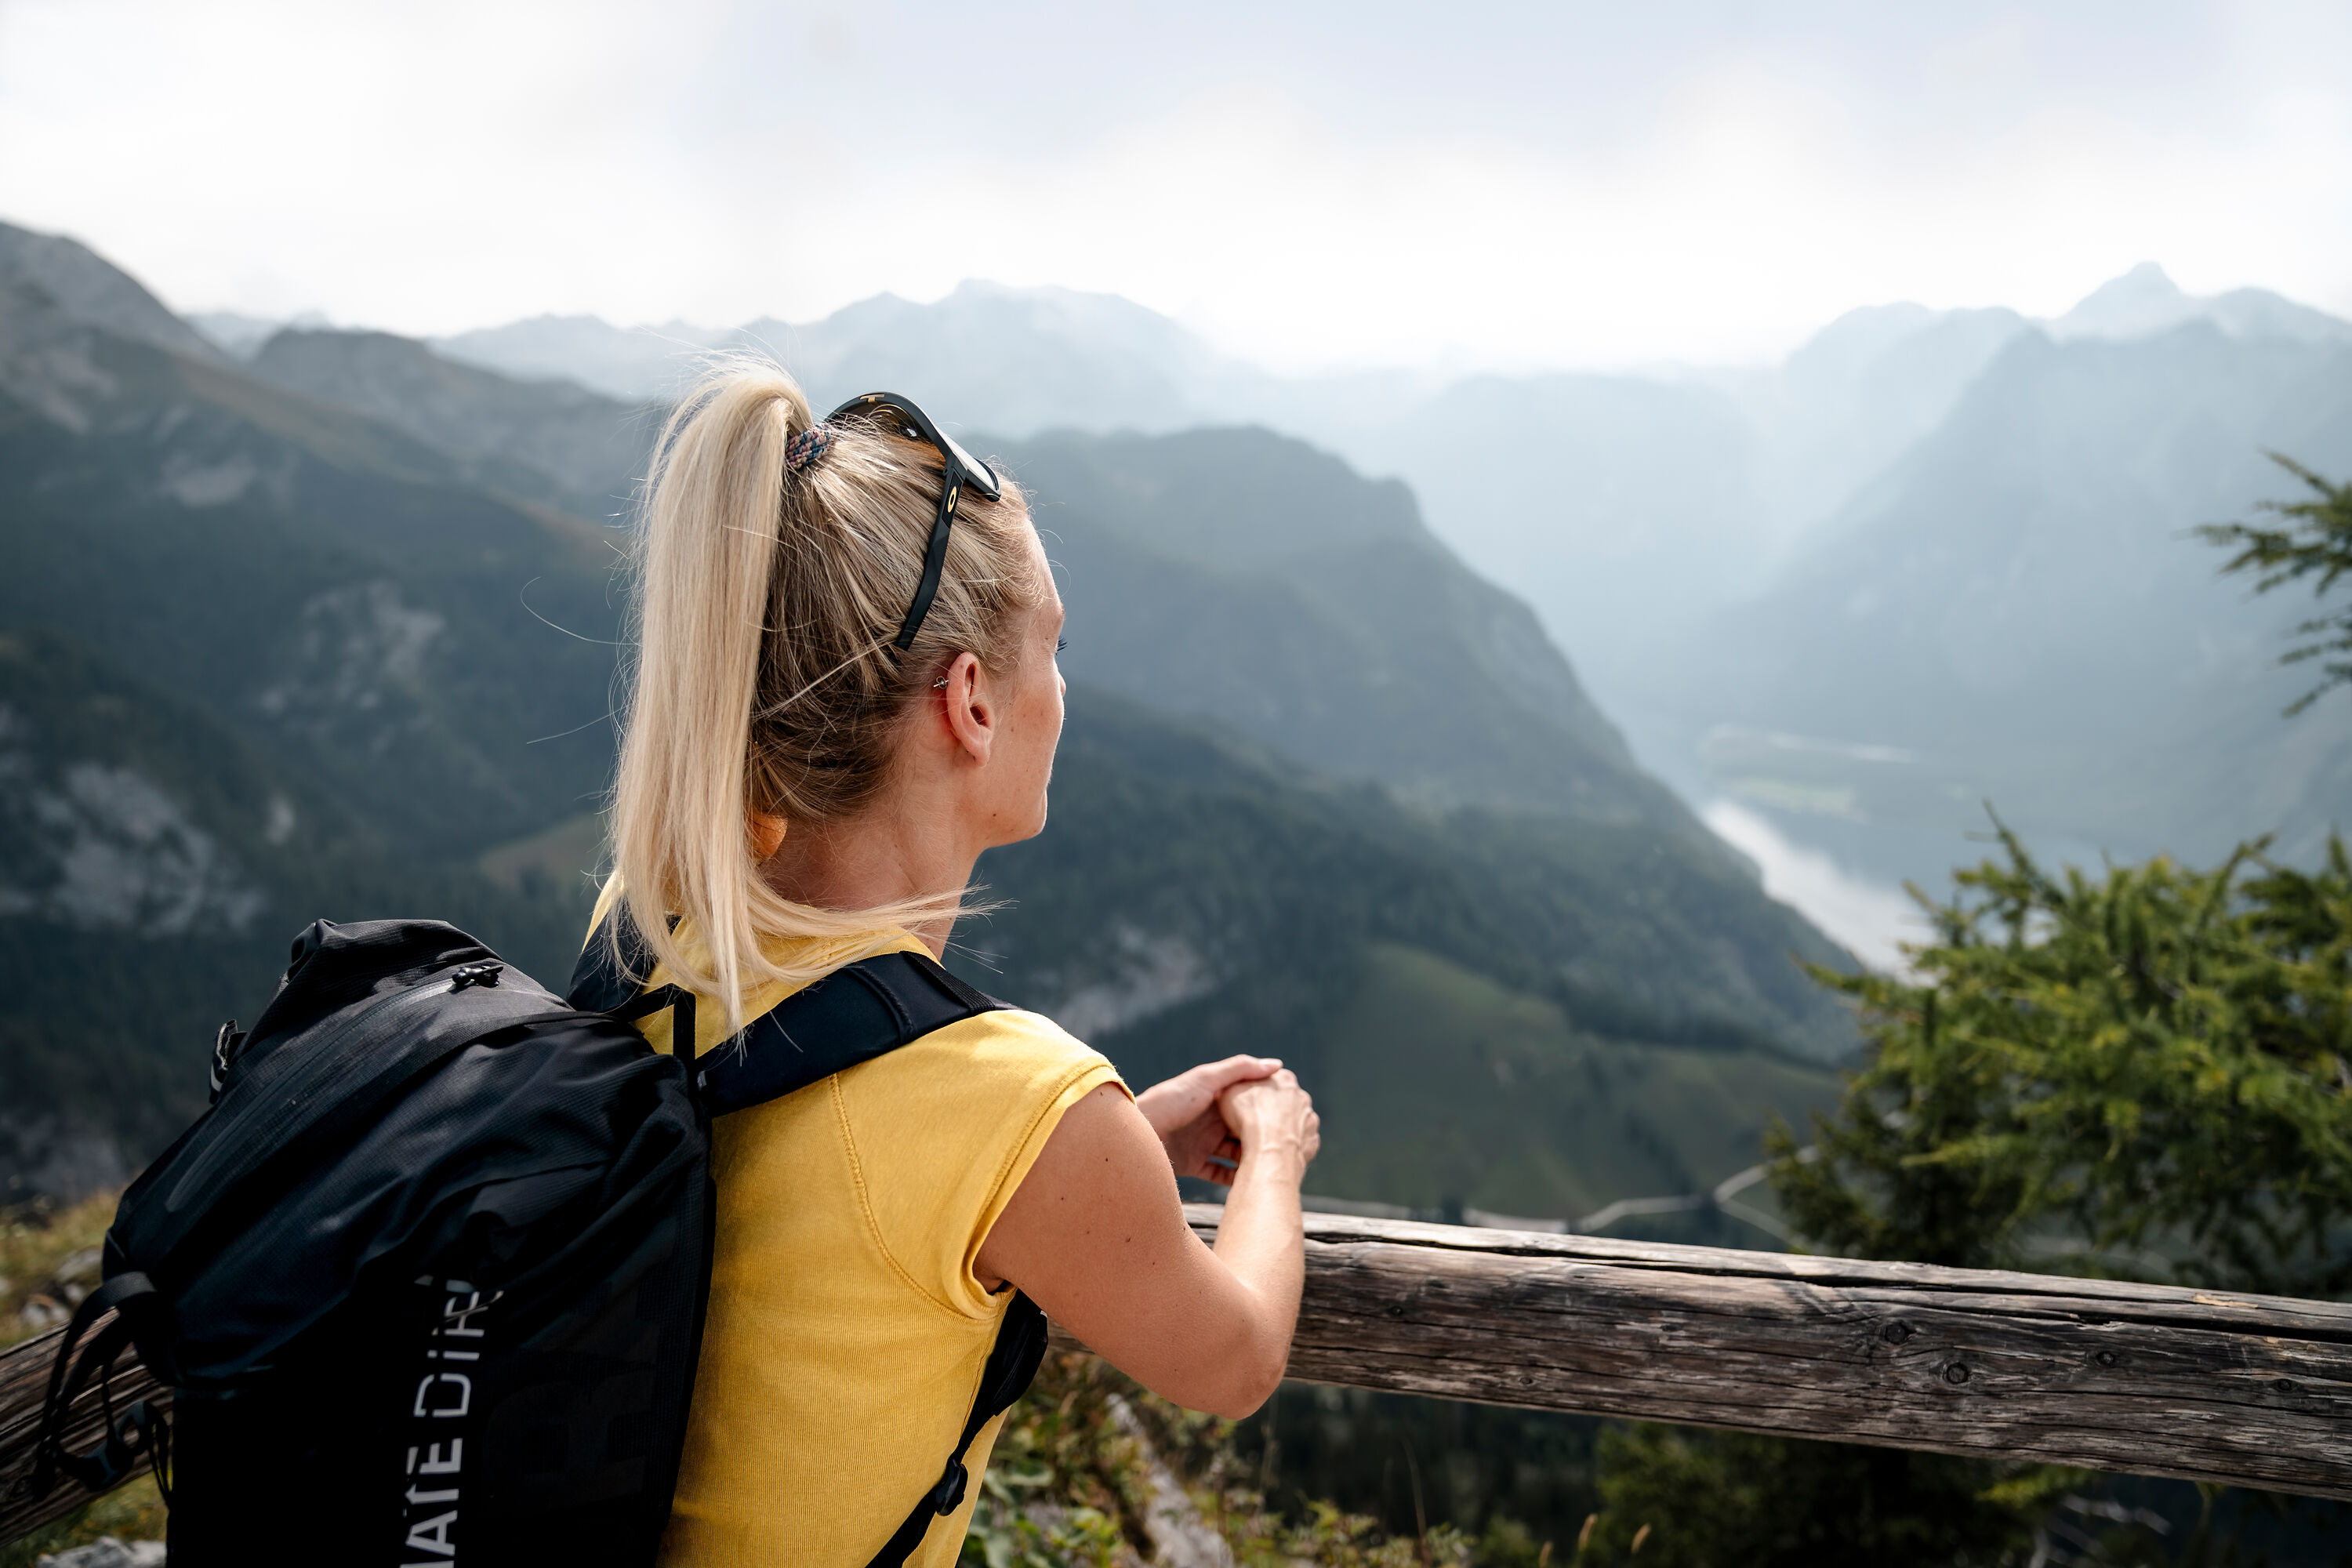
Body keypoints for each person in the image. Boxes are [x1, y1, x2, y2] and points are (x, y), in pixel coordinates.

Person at [591, 365, 1323, 1566]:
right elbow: (1234, 1359)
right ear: (972, 702)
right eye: (1054, 648)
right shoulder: (1006, 1097)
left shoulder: (658, 931)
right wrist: (1275, 1158)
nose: (1066, 691)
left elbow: (832, 1207)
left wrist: (1109, 1148)